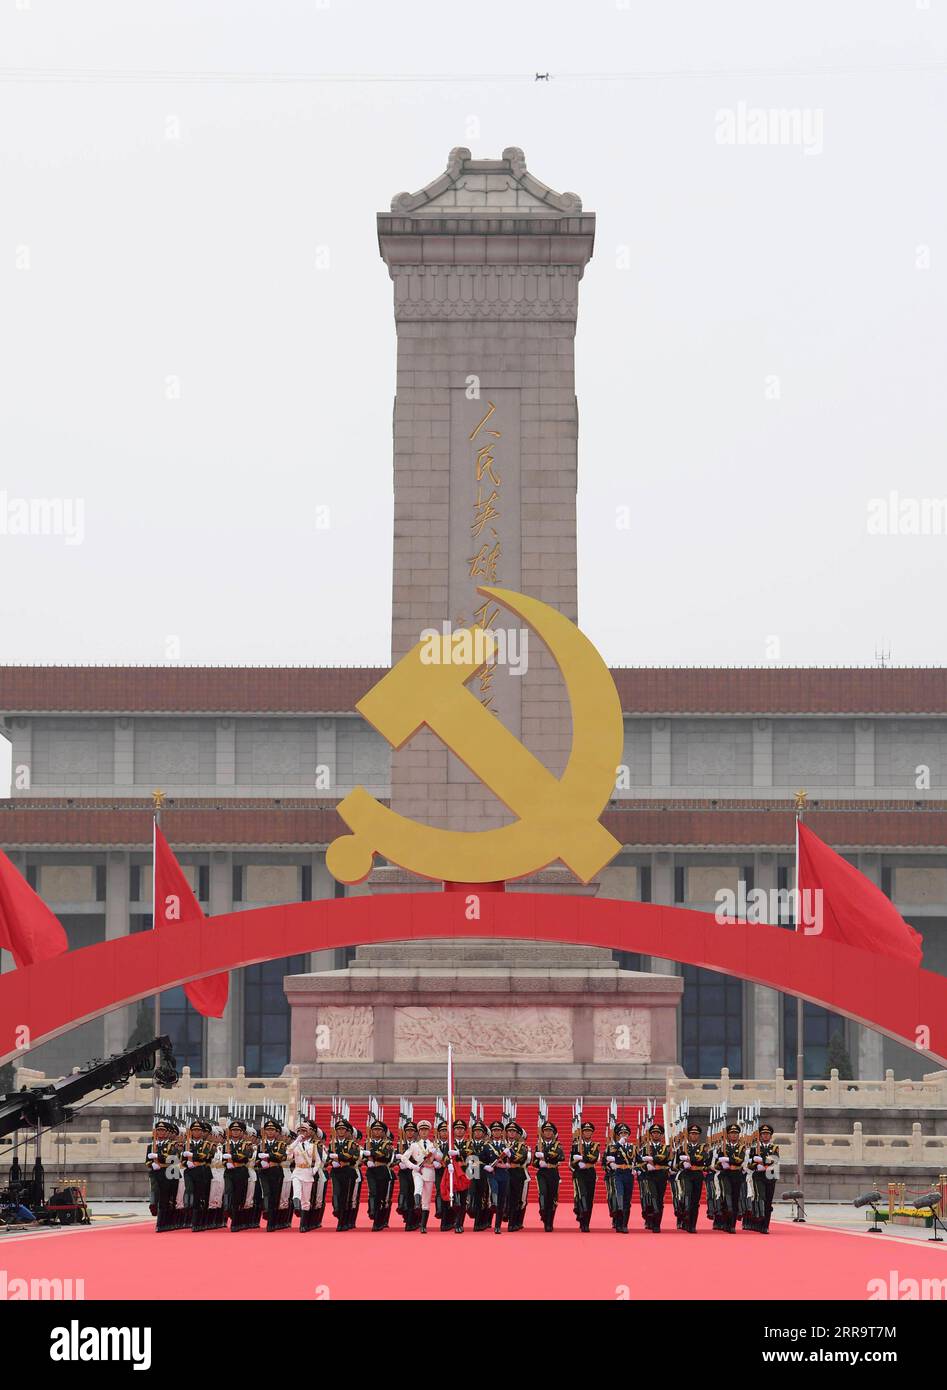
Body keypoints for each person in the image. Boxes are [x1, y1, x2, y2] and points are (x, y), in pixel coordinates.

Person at [403, 1118, 441, 1233]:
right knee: (418, 1188)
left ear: (429, 1131)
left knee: (427, 1199)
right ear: (418, 1132)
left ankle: (423, 1225)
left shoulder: (433, 1145)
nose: (424, 1132)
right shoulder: (415, 1145)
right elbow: (404, 1157)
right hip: (418, 1171)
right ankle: (416, 1204)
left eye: (426, 1130)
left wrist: (436, 1155)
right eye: (422, 1130)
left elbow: (440, 1158)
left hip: (429, 1172)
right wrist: (412, 1166)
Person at [288, 1117, 326, 1232]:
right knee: (296, 1191)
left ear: (308, 1132)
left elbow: (319, 1160)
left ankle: (303, 1225)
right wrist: (296, 1140)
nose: (302, 1133)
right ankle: (296, 1207)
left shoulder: (313, 1146)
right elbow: (288, 1152)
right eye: (299, 1131)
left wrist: (314, 1170)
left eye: (304, 1131)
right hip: (297, 1171)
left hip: (308, 1173)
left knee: (306, 1200)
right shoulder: (295, 1145)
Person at [146, 1117, 183, 1232]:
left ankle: (169, 1221)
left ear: (167, 1132)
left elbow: (173, 1158)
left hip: (169, 1172)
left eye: (163, 1130)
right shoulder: (151, 1146)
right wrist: (151, 1165)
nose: (160, 1132)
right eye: (158, 1130)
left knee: (169, 1199)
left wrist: (158, 1157)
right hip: (156, 1173)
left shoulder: (173, 1145)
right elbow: (147, 1160)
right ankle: (161, 1223)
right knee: (160, 1198)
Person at [257, 1116, 293, 1232]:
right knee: (267, 1194)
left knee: (275, 1196)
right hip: (264, 1172)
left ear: (277, 1132)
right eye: (268, 1130)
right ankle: (269, 1219)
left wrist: (268, 1156)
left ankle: (273, 1222)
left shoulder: (281, 1144)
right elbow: (255, 1158)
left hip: (276, 1172)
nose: (270, 1132)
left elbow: (281, 1156)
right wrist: (260, 1162)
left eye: (272, 1130)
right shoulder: (261, 1145)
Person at [744, 1123, 780, 1233]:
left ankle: (766, 1225)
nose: (765, 1136)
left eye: (767, 1134)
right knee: (761, 1198)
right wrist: (756, 1165)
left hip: (770, 1176)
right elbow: (749, 1164)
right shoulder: (754, 1149)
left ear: (770, 1136)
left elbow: (774, 1159)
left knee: (768, 1202)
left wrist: (762, 1161)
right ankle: (759, 1222)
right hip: (758, 1176)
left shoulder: (774, 1148)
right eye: (763, 1134)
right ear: (760, 1135)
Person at [181, 1118, 216, 1232]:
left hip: (202, 1172)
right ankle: (192, 1217)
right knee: (190, 1191)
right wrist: (187, 1162)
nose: (196, 1132)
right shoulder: (186, 1144)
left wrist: (192, 1156)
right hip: (190, 1172)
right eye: (194, 1130)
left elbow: (206, 1156)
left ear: (202, 1132)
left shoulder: (208, 1145)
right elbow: (182, 1160)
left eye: (199, 1130)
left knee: (201, 1198)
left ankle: (199, 1222)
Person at [223, 1118, 257, 1232]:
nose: (235, 1132)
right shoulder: (226, 1144)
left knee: (239, 1196)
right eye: (233, 1130)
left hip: (240, 1171)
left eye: (238, 1130)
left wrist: (232, 1158)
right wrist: (225, 1163)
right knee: (228, 1191)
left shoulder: (247, 1144)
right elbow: (221, 1157)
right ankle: (227, 1209)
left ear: (242, 1132)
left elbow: (246, 1156)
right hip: (229, 1172)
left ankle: (236, 1221)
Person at [328, 1116, 362, 1231]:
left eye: (343, 1129)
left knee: (346, 1197)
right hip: (336, 1172)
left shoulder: (353, 1144)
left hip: (348, 1172)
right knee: (336, 1195)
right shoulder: (332, 1143)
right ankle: (339, 1214)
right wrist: (331, 1162)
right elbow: (327, 1156)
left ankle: (344, 1221)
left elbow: (353, 1156)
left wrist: (338, 1157)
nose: (340, 1131)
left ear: (347, 1131)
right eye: (338, 1129)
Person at [712, 1122, 746, 1233]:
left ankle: (732, 1225)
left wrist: (728, 1160)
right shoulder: (721, 1148)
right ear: (727, 1135)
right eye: (731, 1133)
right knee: (726, 1199)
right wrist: (722, 1163)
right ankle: (726, 1222)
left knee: (735, 1199)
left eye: (736, 1133)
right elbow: (716, 1164)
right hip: (725, 1175)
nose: (734, 1135)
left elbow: (740, 1160)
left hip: (736, 1175)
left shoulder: (741, 1148)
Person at [675, 1122, 709, 1233]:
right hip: (686, 1175)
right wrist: (682, 1164)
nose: (694, 1136)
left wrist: (689, 1159)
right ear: (688, 1135)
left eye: (696, 1134)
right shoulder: (683, 1147)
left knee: (695, 1201)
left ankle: (692, 1224)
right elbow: (676, 1164)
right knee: (687, 1197)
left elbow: (701, 1158)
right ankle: (685, 1220)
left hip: (697, 1175)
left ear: (699, 1135)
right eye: (692, 1134)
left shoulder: (703, 1147)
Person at [637, 1121, 671, 1233]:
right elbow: (638, 1162)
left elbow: (664, 1158)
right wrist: (646, 1166)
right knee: (653, 1197)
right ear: (651, 1135)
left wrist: (651, 1159)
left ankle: (657, 1223)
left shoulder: (666, 1148)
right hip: (649, 1176)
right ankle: (651, 1218)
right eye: (654, 1133)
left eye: (658, 1133)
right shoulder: (645, 1148)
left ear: (661, 1135)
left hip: (661, 1175)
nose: (656, 1135)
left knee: (660, 1199)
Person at [532, 1120, 564, 1232]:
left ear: (554, 1133)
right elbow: (533, 1162)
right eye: (546, 1130)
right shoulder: (538, 1145)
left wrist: (545, 1156)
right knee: (543, 1192)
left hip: (553, 1173)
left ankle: (549, 1222)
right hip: (542, 1173)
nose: (548, 1133)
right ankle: (542, 1211)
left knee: (552, 1198)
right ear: (542, 1132)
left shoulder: (557, 1145)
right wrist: (538, 1162)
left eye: (550, 1131)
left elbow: (560, 1156)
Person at [364, 1118, 394, 1232]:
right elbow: (361, 1156)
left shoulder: (388, 1143)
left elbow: (385, 1154)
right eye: (374, 1130)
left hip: (382, 1171)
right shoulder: (368, 1143)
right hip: (371, 1172)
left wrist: (371, 1154)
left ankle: (379, 1221)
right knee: (373, 1192)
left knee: (381, 1197)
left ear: (383, 1132)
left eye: (379, 1130)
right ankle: (372, 1211)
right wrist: (367, 1160)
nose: (376, 1132)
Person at [605, 1121, 636, 1234]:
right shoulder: (613, 1146)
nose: (624, 1135)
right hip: (618, 1174)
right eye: (621, 1133)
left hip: (628, 1174)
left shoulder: (632, 1147)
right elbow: (609, 1157)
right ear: (618, 1135)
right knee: (620, 1198)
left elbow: (639, 1161)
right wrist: (619, 1144)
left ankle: (624, 1224)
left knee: (627, 1200)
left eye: (626, 1133)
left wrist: (637, 1169)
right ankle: (618, 1223)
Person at [466, 1119, 496, 1232]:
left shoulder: (488, 1145)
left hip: (484, 1174)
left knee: (483, 1198)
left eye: (480, 1131)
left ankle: (479, 1222)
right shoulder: (469, 1144)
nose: (477, 1133)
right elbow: (469, 1158)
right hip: (471, 1172)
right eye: (475, 1131)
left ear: (484, 1133)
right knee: (470, 1197)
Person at [570, 1120, 599, 1232]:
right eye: (585, 1131)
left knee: (589, 1198)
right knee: (582, 1194)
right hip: (579, 1174)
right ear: (582, 1132)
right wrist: (576, 1162)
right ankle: (581, 1216)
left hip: (590, 1173)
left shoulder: (595, 1145)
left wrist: (582, 1159)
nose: (587, 1133)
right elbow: (571, 1162)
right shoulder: (576, 1145)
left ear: (592, 1133)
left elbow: (594, 1158)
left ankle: (586, 1222)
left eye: (589, 1131)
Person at [504, 1121, 530, 1232]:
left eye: (514, 1131)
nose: (511, 1133)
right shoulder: (502, 1144)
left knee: (516, 1199)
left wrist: (511, 1156)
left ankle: (513, 1223)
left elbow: (521, 1158)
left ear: (517, 1134)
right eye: (509, 1131)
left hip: (517, 1174)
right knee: (505, 1198)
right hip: (504, 1173)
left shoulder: (522, 1146)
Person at [394, 1119, 420, 1230]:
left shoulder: (419, 1145)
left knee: (413, 1195)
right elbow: (394, 1157)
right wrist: (398, 1162)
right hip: (404, 1173)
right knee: (405, 1192)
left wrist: (410, 1164)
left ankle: (412, 1221)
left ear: (415, 1133)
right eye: (407, 1130)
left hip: (415, 1172)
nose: (410, 1133)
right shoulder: (400, 1144)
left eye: (412, 1130)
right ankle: (405, 1214)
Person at [447, 1118, 471, 1233]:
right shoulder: (450, 1143)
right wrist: (448, 1162)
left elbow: (471, 1152)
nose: (459, 1131)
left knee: (463, 1200)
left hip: (465, 1173)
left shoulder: (468, 1143)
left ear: (465, 1131)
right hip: (452, 1173)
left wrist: (458, 1152)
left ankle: (460, 1223)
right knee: (454, 1199)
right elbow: (444, 1155)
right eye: (457, 1129)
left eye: (461, 1129)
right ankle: (454, 1222)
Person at [434, 1119, 454, 1231]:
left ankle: (449, 1219)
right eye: (442, 1131)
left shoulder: (452, 1144)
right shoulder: (434, 1144)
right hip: (438, 1172)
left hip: (450, 1171)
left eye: (446, 1131)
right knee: (439, 1190)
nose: (444, 1133)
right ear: (439, 1133)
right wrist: (433, 1162)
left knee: (450, 1193)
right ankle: (440, 1211)